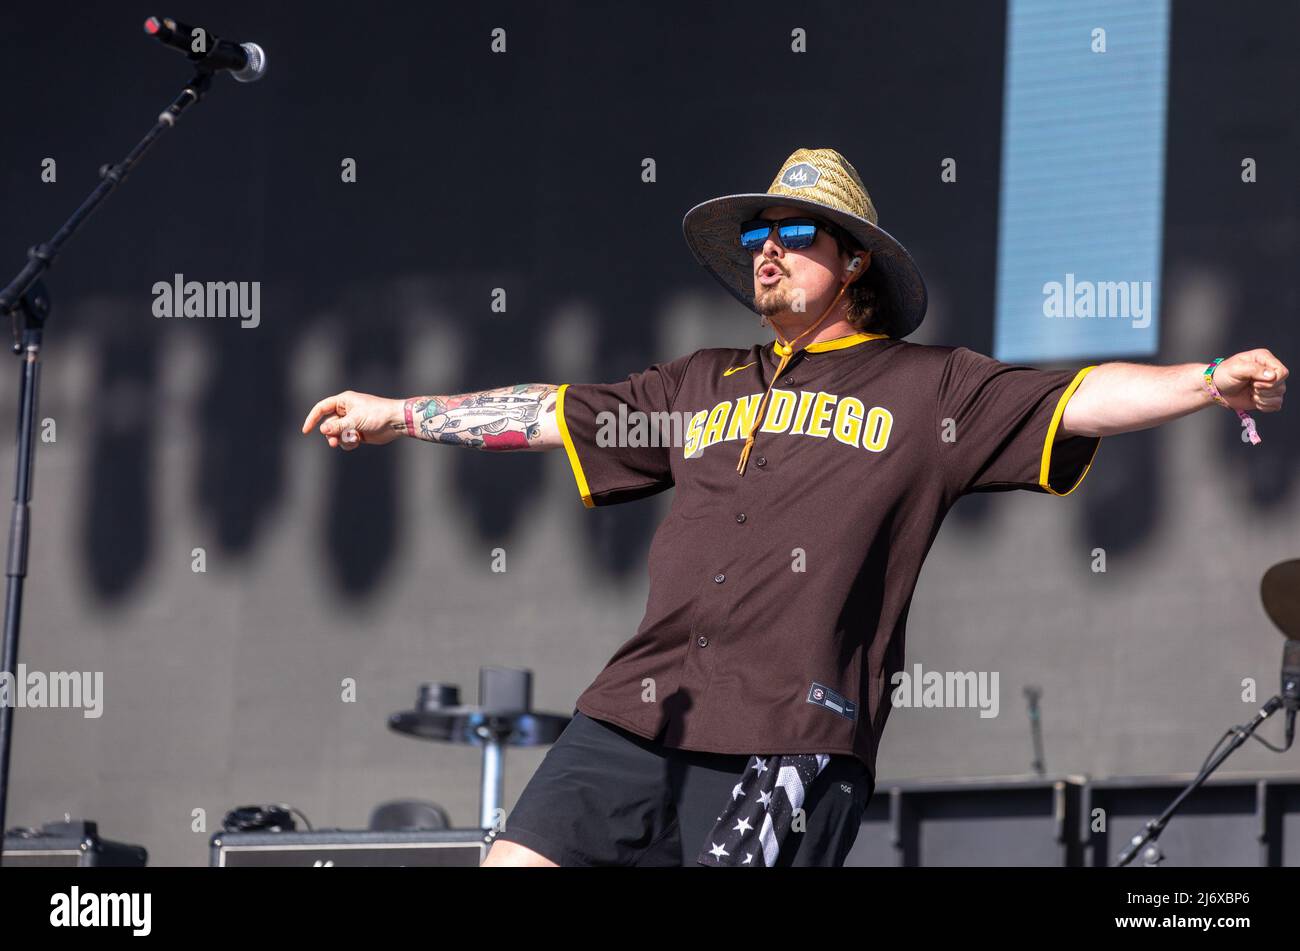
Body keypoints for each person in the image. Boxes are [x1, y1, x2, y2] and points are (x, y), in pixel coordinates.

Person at [302, 147, 1288, 867]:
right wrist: (399, 414)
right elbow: (549, 413)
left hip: (786, 729)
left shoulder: (928, 387)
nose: (764, 251)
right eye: (755, 236)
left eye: (791, 234)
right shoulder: (700, 382)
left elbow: (1080, 395)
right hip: (639, 705)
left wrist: (1205, 379)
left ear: (853, 259)